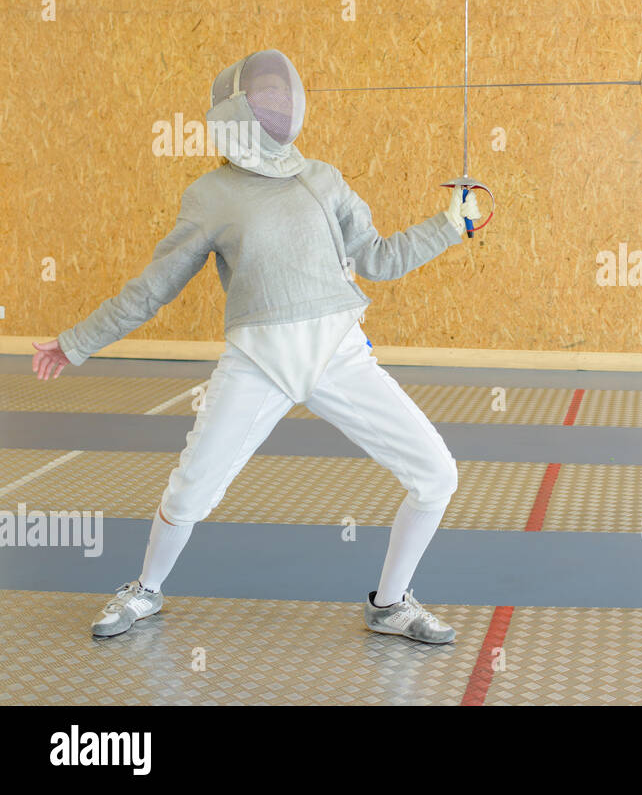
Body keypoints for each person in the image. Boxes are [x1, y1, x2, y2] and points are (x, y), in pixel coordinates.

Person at [32, 49, 482, 645]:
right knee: (192, 488)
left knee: (437, 473)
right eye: (263, 96)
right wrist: (75, 343)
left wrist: (448, 224)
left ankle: (390, 604)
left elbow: (379, 258)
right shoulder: (211, 195)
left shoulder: (323, 178)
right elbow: (151, 290)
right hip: (257, 362)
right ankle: (145, 589)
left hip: (338, 353)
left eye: (281, 94)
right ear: (235, 111)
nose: (276, 104)